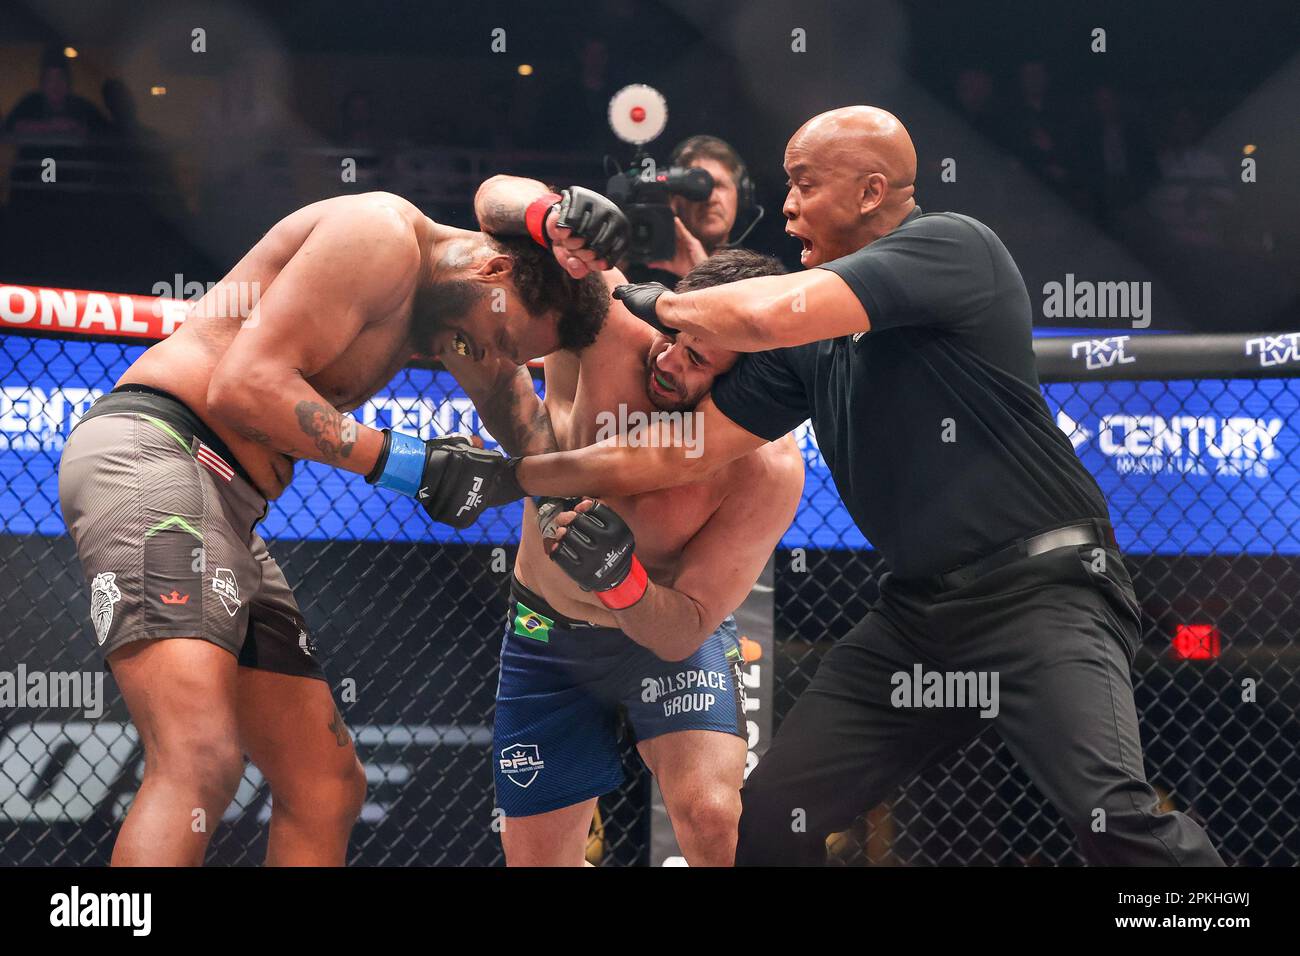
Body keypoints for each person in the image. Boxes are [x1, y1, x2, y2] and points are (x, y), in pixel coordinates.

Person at [502, 106, 1226, 866]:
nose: (785, 206)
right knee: (769, 823)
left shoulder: (953, 248)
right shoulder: (804, 351)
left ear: (872, 191)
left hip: (1042, 591)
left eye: (803, 184)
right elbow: (675, 456)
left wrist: (661, 302)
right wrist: (517, 475)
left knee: (1110, 812)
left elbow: (777, 310)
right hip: (920, 619)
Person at [57, 188, 615, 865]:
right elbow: (243, 385)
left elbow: (513, 410)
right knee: (199, 758)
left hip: (229, 508)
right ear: (495, 273)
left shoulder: (452, 311)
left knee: (326, 785)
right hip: (161, 455)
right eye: (502, 339)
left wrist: (574, 507)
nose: (489, 352)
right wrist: (409, 464)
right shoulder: (377, 236)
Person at [477, 172, 804, 866]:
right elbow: (491, 199)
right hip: (548, 633)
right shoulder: (614, 323)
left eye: (698, 360)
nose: (669, 357)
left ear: (743, 387)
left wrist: (621, 581)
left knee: (715, 817)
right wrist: (550, 214)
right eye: (676, 333)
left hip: (663, 639)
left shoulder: (766, 468)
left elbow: (685, 623)